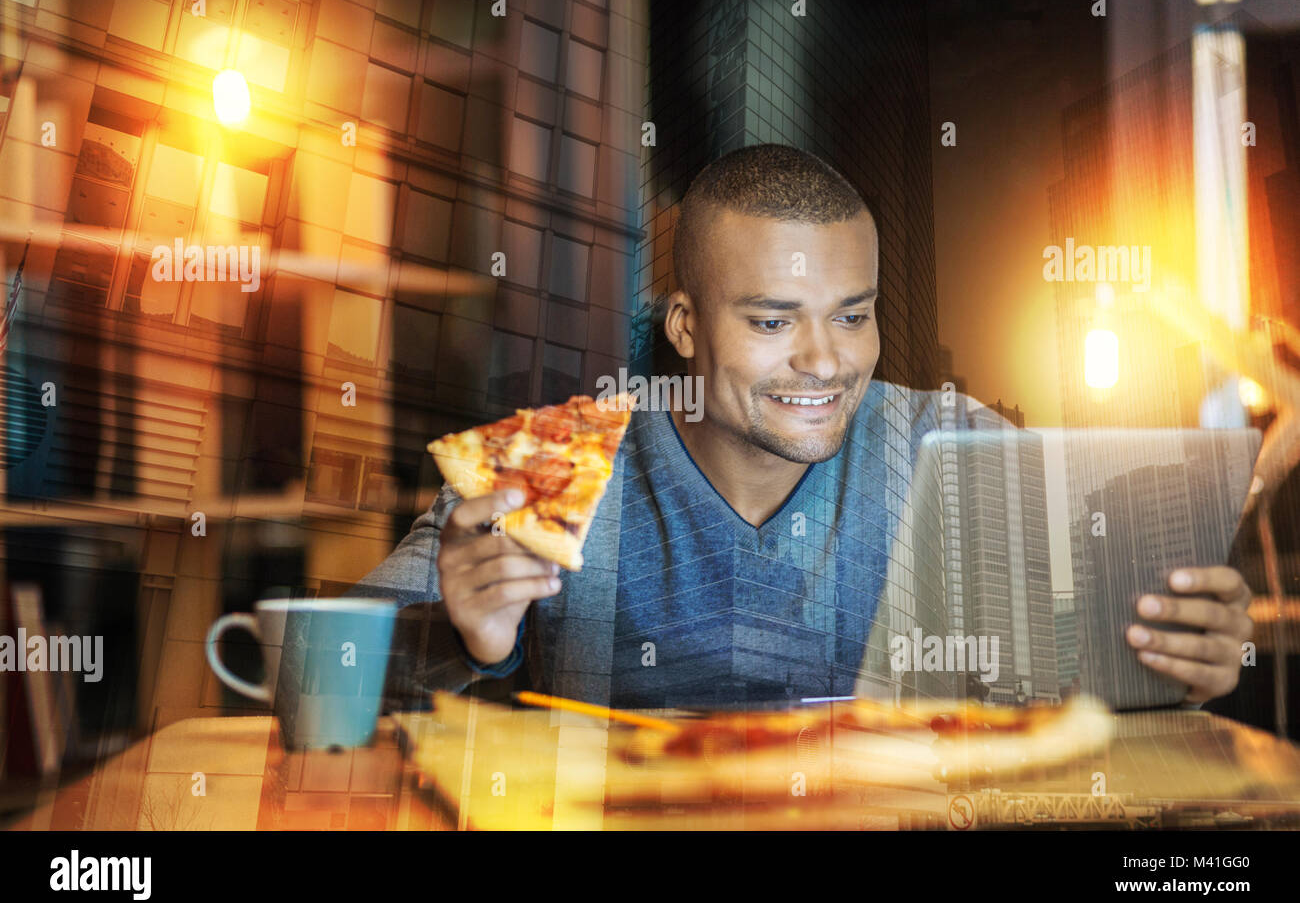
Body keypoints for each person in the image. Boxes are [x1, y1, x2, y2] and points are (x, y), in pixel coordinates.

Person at [356, 143, 1253, 711]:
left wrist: (1183, 667)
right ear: (684, 328)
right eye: (773, 321)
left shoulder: (953, 448)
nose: (826, 362)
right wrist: (458, 635)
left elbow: (1086, 671)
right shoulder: (551, 459)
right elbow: (307, 677)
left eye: (852, 314)